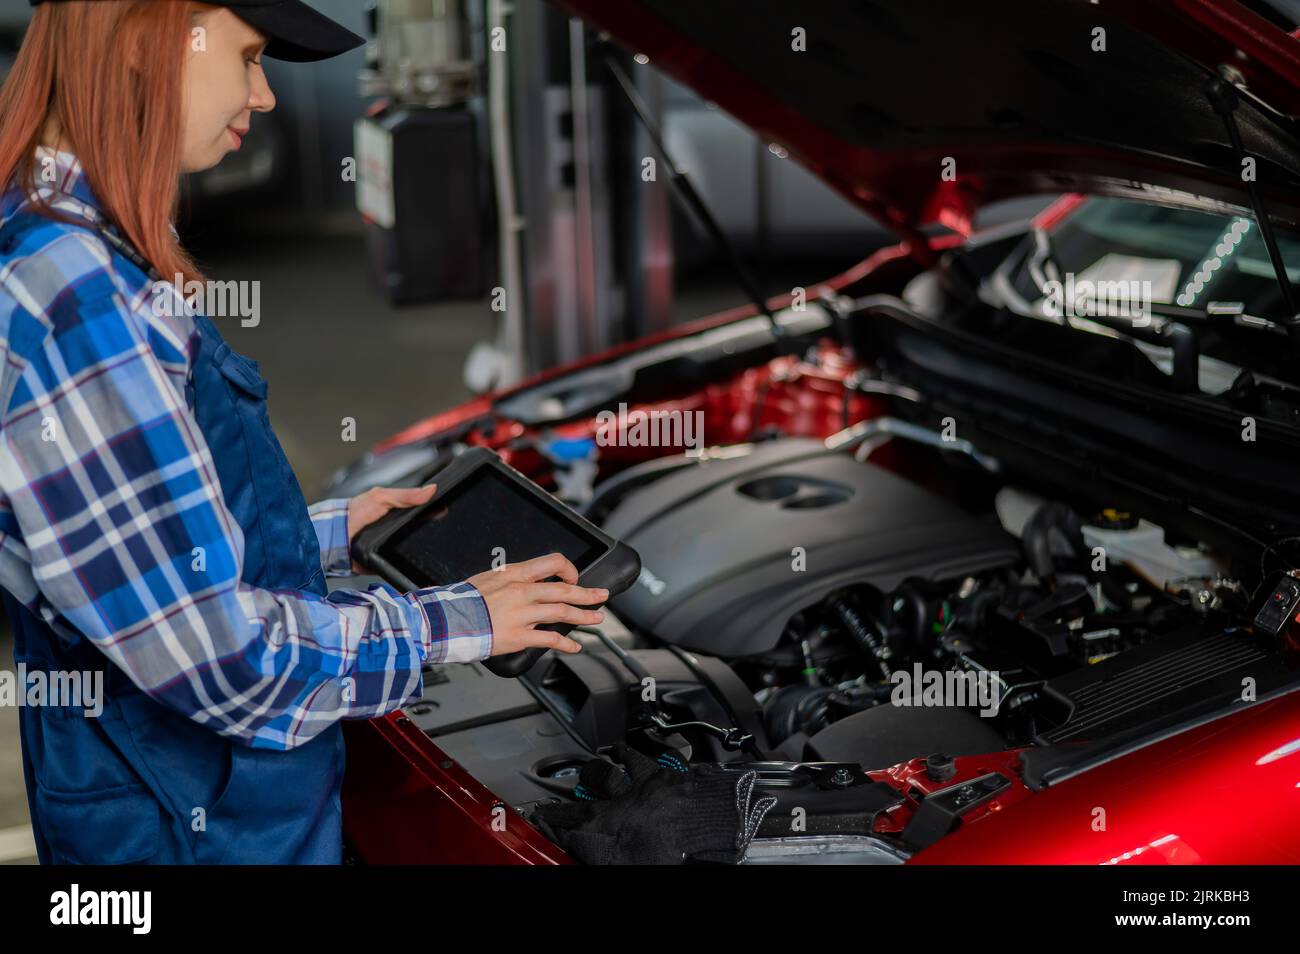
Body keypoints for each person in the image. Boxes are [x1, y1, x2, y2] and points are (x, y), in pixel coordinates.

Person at [0, 0, 603, 864]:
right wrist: (454, 622)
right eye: (248, 57)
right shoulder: (80, 296)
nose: (266, 94)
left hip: (150, 792)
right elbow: (219, 658)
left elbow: (116, 558)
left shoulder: (45, 227)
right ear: (144, 39)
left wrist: (316, 539)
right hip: (191, 822)